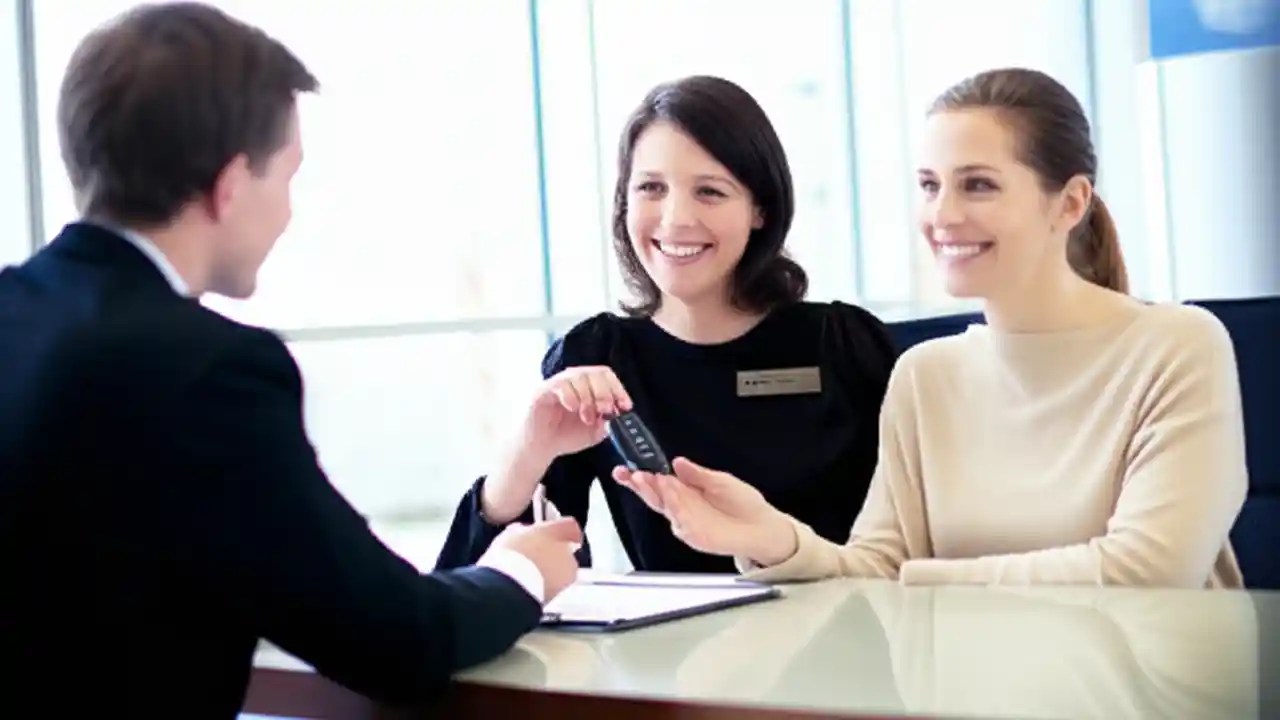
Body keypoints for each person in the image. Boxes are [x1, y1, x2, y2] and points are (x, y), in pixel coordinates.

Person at [0, 3, 580, 714]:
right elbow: (397, 637)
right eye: (288, 177)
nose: (288, 213)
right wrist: (521, 570)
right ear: (232, 183)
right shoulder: (206, 371)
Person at [614, 68, 1248, 589]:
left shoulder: (1178, 347)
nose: (943, 214)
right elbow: (873, 567)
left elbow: (1148, 571)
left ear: (1071, 202)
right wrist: (771, 538)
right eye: (928, 185)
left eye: (978, 185)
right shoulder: (927, 373)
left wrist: (921, 580)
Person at [436, 76, 897, 574]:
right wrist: (529, 451)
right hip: (672, 651)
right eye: (652, 188)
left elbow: (913, 548)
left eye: (710, 192)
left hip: (845, 636)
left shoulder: (845, 346)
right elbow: (478, 593)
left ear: (760, 208)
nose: (675, 218)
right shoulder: (596, 356)